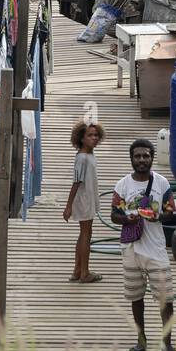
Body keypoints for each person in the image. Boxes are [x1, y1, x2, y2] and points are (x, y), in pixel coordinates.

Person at [112, 139, 176, 351]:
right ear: (131, 159)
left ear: (152, 157)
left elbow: (171, 210)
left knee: (166, 300)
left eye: (146, 156)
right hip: (131, 248)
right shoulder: (122, 185)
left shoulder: (161, 183)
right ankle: (141, 340)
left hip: (156, 249)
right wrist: (129, 218)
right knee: (136, 297)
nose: (142, 160)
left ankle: (167, 345)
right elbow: (115, 214)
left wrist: (159, 215)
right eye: (137, 156)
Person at [63, 120, 105, 283]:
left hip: (87, 197)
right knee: (86, 234)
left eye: (96, 135)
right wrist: (68, 207)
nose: (94, 138)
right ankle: (84, 272)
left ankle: (77, 269)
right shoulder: (82, 157)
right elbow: (76, 182)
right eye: (90, 135)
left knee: (83, 233)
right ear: (81, 138)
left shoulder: (88, 155)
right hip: (84, 199)